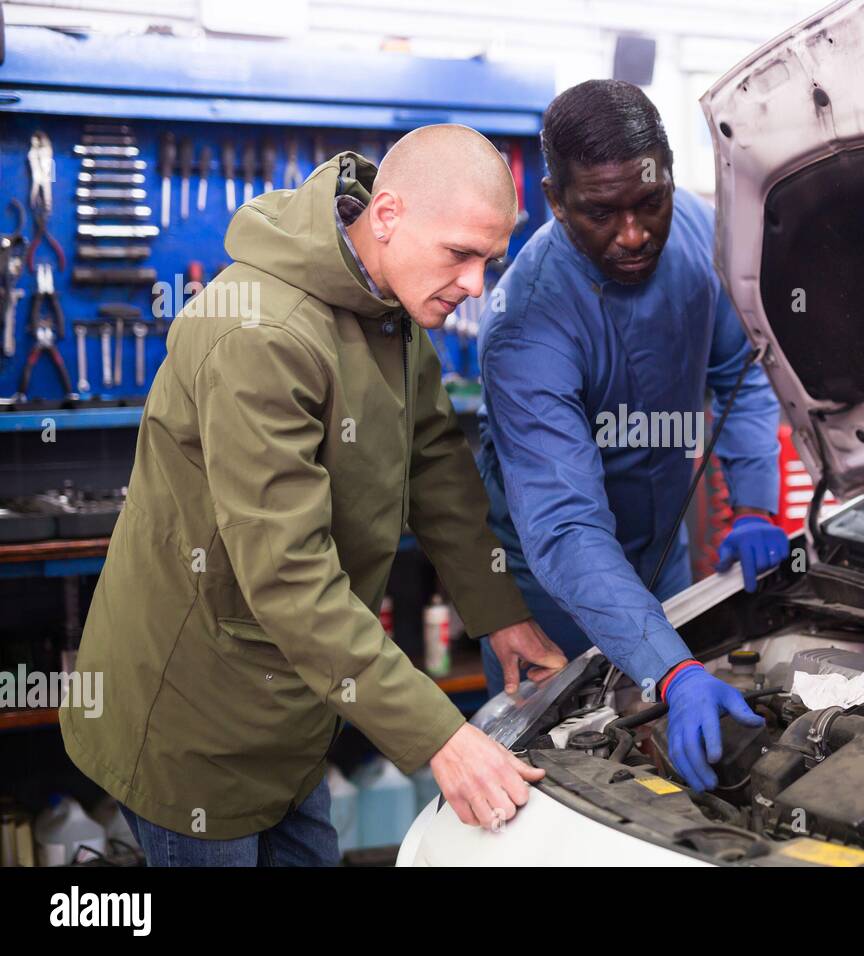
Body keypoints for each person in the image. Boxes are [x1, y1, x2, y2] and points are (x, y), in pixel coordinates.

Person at [60, 125, 565, 866]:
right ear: (386, 215)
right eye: (460, 253)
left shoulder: (385, 299)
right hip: (193, 722)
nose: (475, 287)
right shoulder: (259, 335)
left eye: (489, 260)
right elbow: (289, 574)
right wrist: (440, 735)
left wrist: (499, 615)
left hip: (298, 704)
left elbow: (435, 467)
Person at [476, 81, 789, 792]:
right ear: (555, 200)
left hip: (665, 552)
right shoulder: (527, 326)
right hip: (555, 589)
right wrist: (673, 669)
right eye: (600, 212)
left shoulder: (698, 239)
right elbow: (563, 523)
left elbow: (741, 367)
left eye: (650, 201)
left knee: (677, 770)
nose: (633, 234)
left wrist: (753, 503)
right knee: (561, 778)